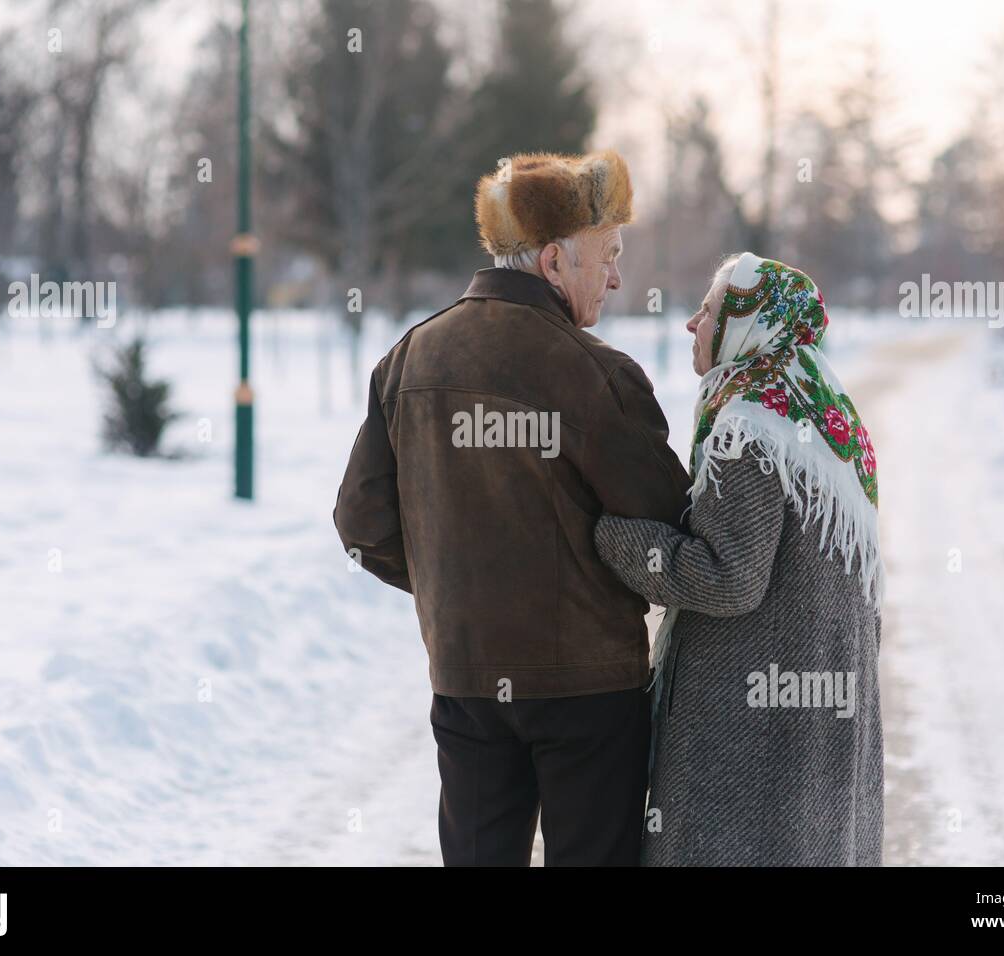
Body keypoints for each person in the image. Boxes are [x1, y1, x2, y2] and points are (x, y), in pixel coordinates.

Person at [334, 149, 690, 866]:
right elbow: (668, 530)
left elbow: (361, 524)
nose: (617, 277)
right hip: (589, 691)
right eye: (608, 255)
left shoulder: (408, 359)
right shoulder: (597, 374)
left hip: (465, 680)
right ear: (555, 261)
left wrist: (454, 583)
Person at [594, 252, 885, 866]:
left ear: (747, 325)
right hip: (821, 701)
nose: (691, 325)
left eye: (707, 312)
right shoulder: (821, 408)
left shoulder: (749, 421)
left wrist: (614, 538)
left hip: (751, 730)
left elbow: (727, 578)